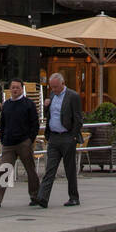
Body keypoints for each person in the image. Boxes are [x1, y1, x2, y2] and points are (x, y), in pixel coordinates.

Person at [0, 79, 42, 209]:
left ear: (22, 89)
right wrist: (3, 139)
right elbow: (2, 124)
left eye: (17, 87)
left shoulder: (29, 104)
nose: (15, 90)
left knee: (30, 170)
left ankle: (35, 196)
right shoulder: (7, 105)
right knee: (4, 169)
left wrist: (30, 140)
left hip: (24, 142)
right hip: (9, 143)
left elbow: (35, 124)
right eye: (13, 87)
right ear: (10, 89)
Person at [34, 72, 83, 208]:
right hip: (54, 137)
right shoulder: (51, 96)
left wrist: (73, 136)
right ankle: (43, 198)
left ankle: (74, 197)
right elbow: (50, 115)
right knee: (50, 168)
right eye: (52, 87)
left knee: (70, 169)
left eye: (56, 87)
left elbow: (78, 118)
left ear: (63, 83)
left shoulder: (73, 96)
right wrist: (46, 106)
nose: (54, 90)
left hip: (67, 136)